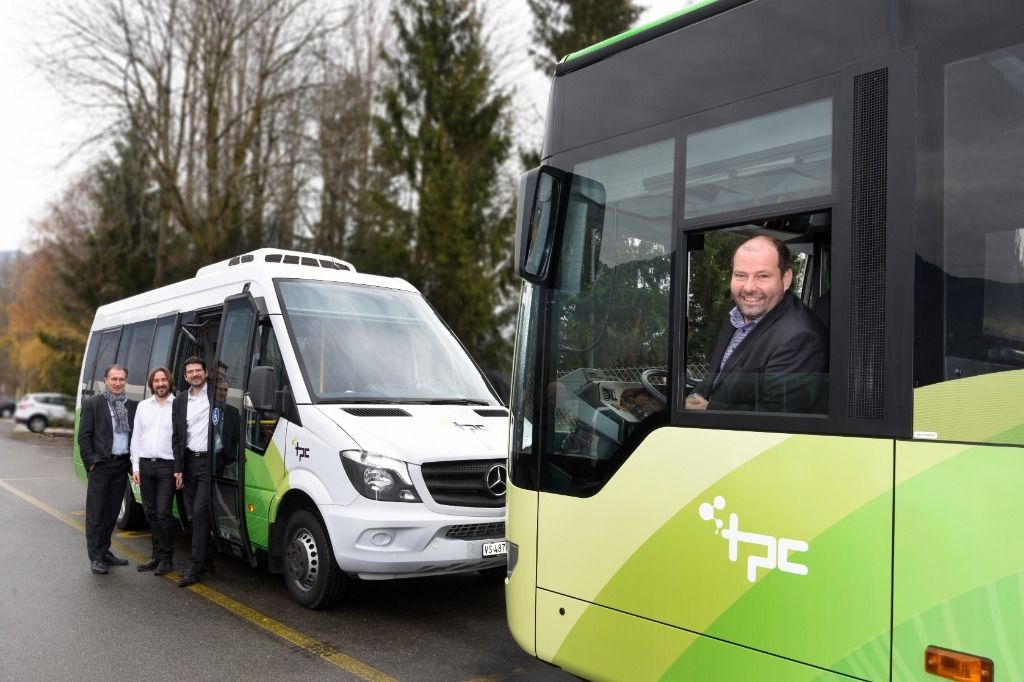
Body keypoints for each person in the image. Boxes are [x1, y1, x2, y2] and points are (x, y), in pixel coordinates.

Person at [686, 235, 828, 413]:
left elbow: (777, 419)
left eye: (762, 276)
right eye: (740, 275)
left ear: (786, 279)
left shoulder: (800, 337)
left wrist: (710, 409)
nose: (748, 288)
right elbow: (716, 378)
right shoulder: (735, 313)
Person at [78, 364, 138, 574]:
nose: (118, 383)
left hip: (121, 464)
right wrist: (91, 463)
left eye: (122, 379)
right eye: (114, 379)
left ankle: (105, 551)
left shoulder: (131, 406)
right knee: (96, 513)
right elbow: (84, 437)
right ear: (105, 380)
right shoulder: (93, 404)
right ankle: (95, 557)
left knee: (112, 512)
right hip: (101, 465)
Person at [130, 367, 180, 576]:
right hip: (145, 465)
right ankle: (156, 556)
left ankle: (167, 559)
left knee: (163, 513)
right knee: (150, 512)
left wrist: (179, 469)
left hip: (167, 466)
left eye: (163, 380)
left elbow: (181, 441)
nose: (160, 384)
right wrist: (135, 467)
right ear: (152, 384)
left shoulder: (178, 406)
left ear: (169, 382)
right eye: (156, 381)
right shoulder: (143, 406)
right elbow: (136, 437)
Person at [172, 356, 215, 587]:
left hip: (209, 464)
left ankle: (195, 566)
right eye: (190, 372)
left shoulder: (216, 396)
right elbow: (177, 437)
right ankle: (207, 561)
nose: (195, 374)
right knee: (192, 515)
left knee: (199, 513)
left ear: (206, 373)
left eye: (198, 370)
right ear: (186, 376)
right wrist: (178, 469)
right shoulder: (179, 401)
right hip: (188, 462)